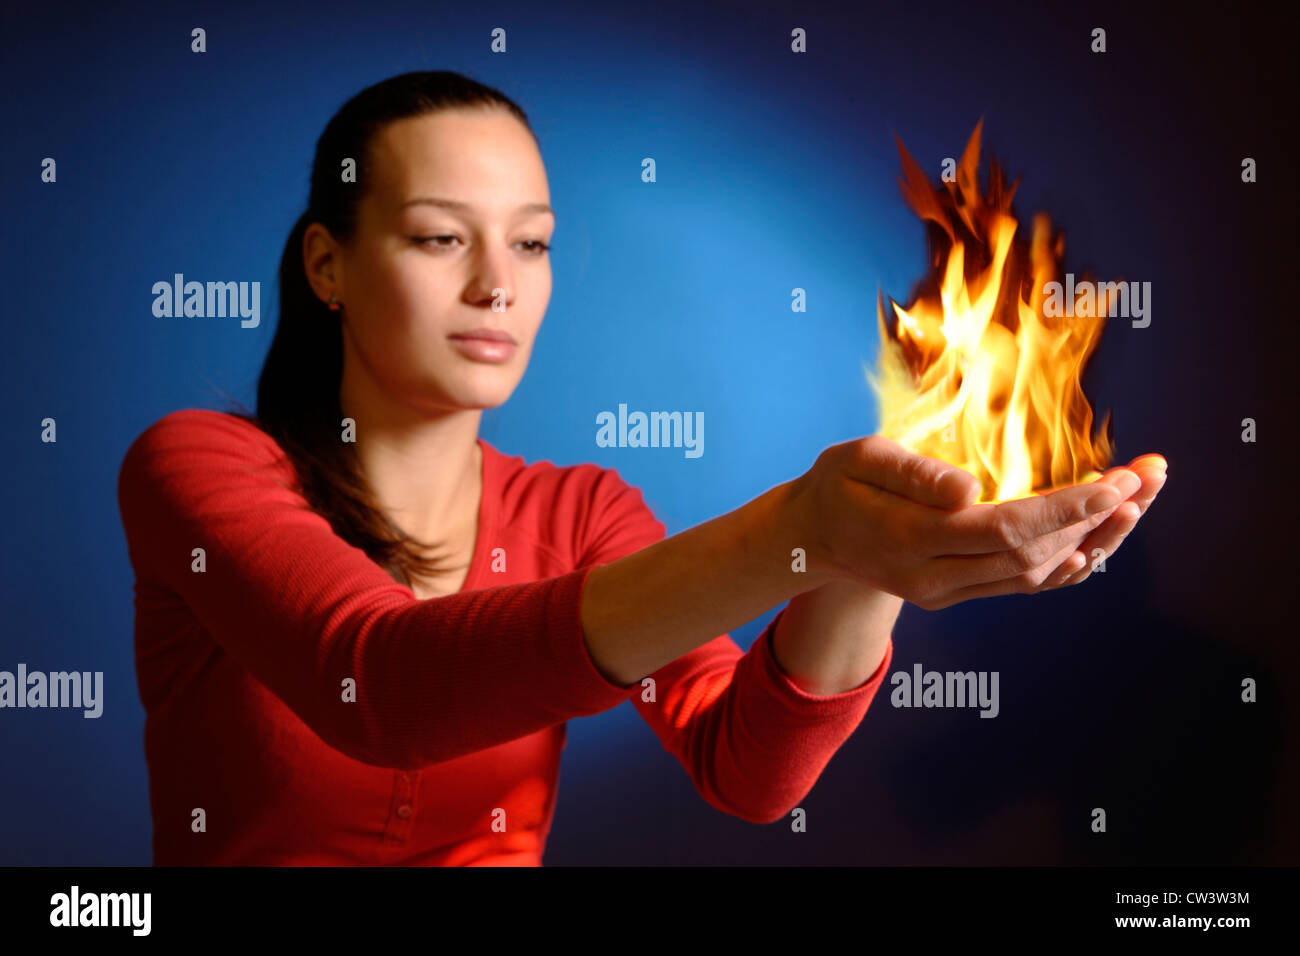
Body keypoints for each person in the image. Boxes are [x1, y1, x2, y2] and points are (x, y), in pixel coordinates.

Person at [116, 70, 1167, 866]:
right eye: (440, 238)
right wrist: (800, 526)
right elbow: (377, 682)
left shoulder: (582, 511)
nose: (498, 286)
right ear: (327, 264)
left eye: (531, 244)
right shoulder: (199, 465)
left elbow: (746, 768)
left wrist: (867, 553)